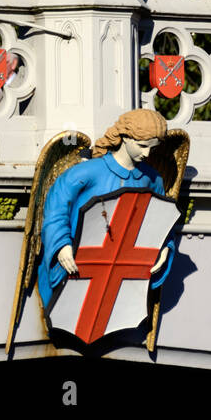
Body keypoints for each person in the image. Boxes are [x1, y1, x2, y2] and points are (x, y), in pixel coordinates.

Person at [37, 107, 177, 311]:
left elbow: (160, 219)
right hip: (80, 266)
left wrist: (164, 247)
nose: (147, 154)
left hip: (123, 273)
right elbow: (56, 206)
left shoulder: (151, 178)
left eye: (152, 149)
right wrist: (61, 245)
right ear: (126, 138)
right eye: (142, 146)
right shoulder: (87, 171)